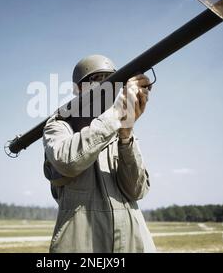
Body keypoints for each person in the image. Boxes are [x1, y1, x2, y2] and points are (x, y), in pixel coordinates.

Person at [43, 54, 156, 253]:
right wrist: (115, 115)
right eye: (97, 79)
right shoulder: (59, 125)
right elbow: (67, 161)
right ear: (78, 89)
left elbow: (136, 191)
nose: (105, 87)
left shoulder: (118, 127)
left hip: (133, 245)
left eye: (111, 80)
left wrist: (126, 134)